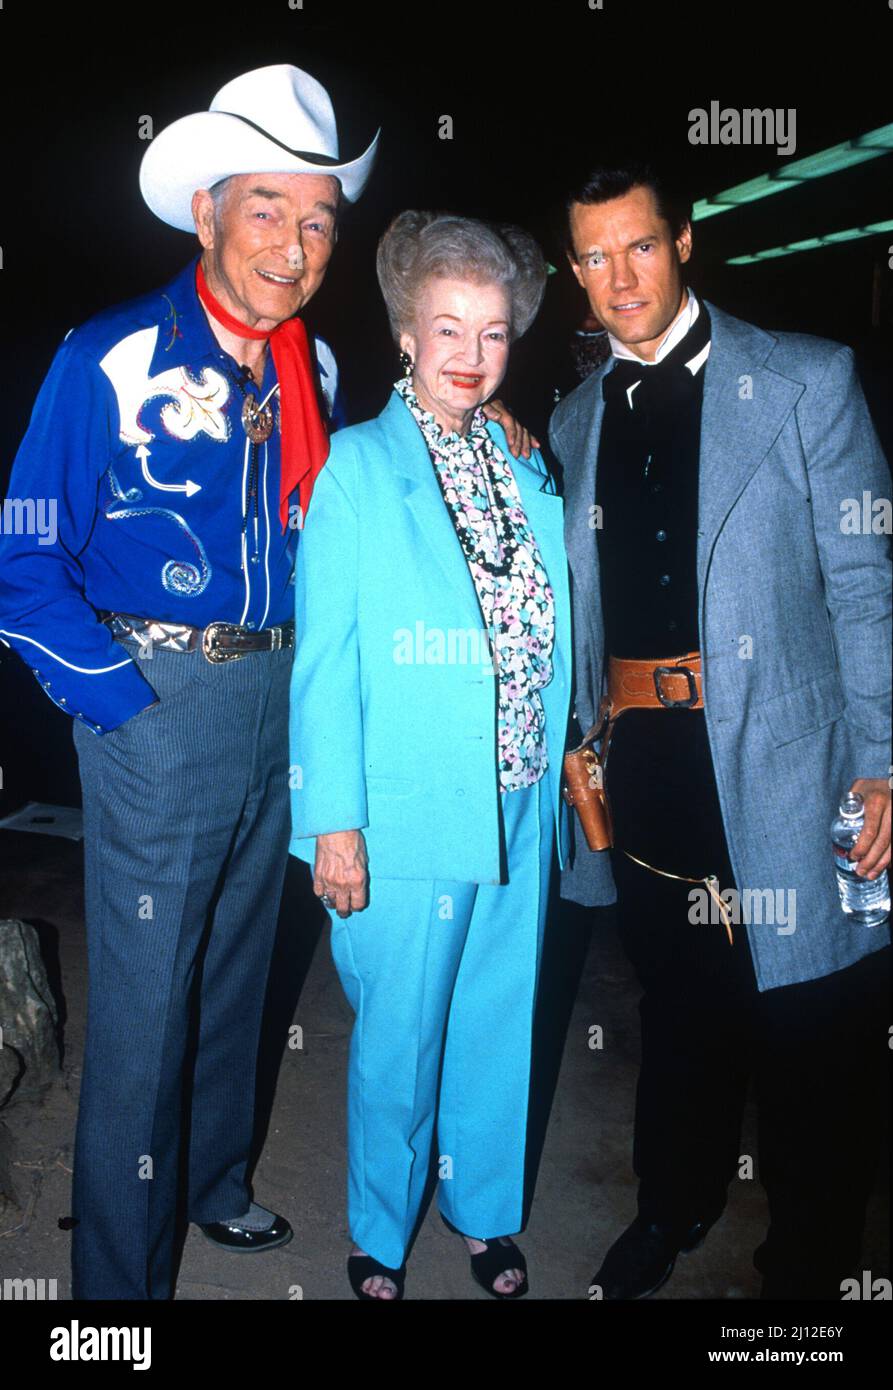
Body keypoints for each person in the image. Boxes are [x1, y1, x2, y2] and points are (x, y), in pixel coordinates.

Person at [0, 62, 381, 1300]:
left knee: (237, 974)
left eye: (318, 216)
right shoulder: (107, 356)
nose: (295, 241)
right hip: (156, 701)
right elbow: (24, 553)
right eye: (267, 208)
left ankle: (212, 1182)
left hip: (282, 705)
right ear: (208, 212)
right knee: (146, 1007)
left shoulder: (312, 373)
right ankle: (114, 1288)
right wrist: (125, 708)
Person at [550, 161, 891, 1301]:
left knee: (810, 1028)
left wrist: (884, 761)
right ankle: (668, 1205)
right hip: (646, 776)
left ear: (684, 242)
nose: (617, 277)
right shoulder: (571, 419)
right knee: (680, 1013)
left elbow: (863, 586)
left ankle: (807, 1265)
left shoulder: (804, 380)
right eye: (592, 257)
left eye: (636, 246)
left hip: (786, 768)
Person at [288, 211, 572, 1299]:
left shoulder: (520, 464)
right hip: (403, 810)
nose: (468, 356)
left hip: (513, 795)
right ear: (405, 333)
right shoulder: (357, 467)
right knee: (400, 1039)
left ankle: (485, 1211)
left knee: (495, 1021)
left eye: (490, 333)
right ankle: (376, 1231)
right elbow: (324, 662)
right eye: (446, 329)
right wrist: (333, 821)